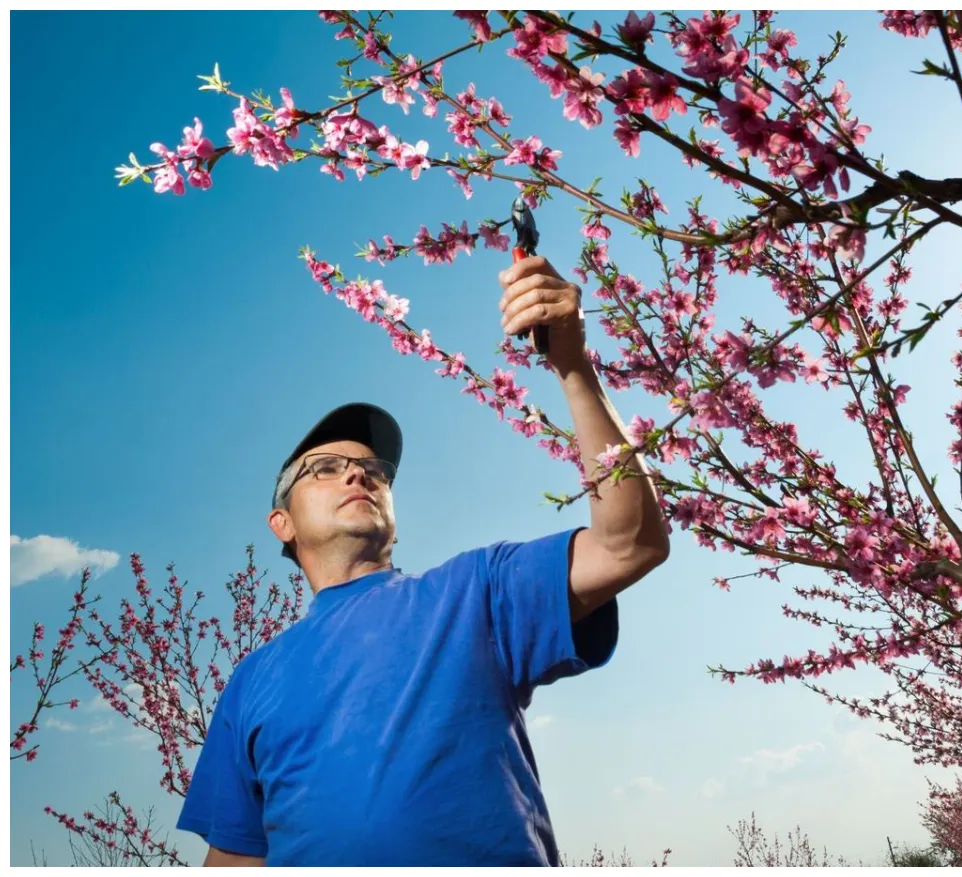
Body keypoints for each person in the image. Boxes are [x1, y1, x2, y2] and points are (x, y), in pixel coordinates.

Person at [175, 255, 670, 866]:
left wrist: (573, 366)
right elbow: (234, 859)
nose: (358, 471)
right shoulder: (252, 680)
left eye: (374, 470)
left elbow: (630, 542)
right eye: (324, 468)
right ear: (282, 523)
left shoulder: (473, 591)